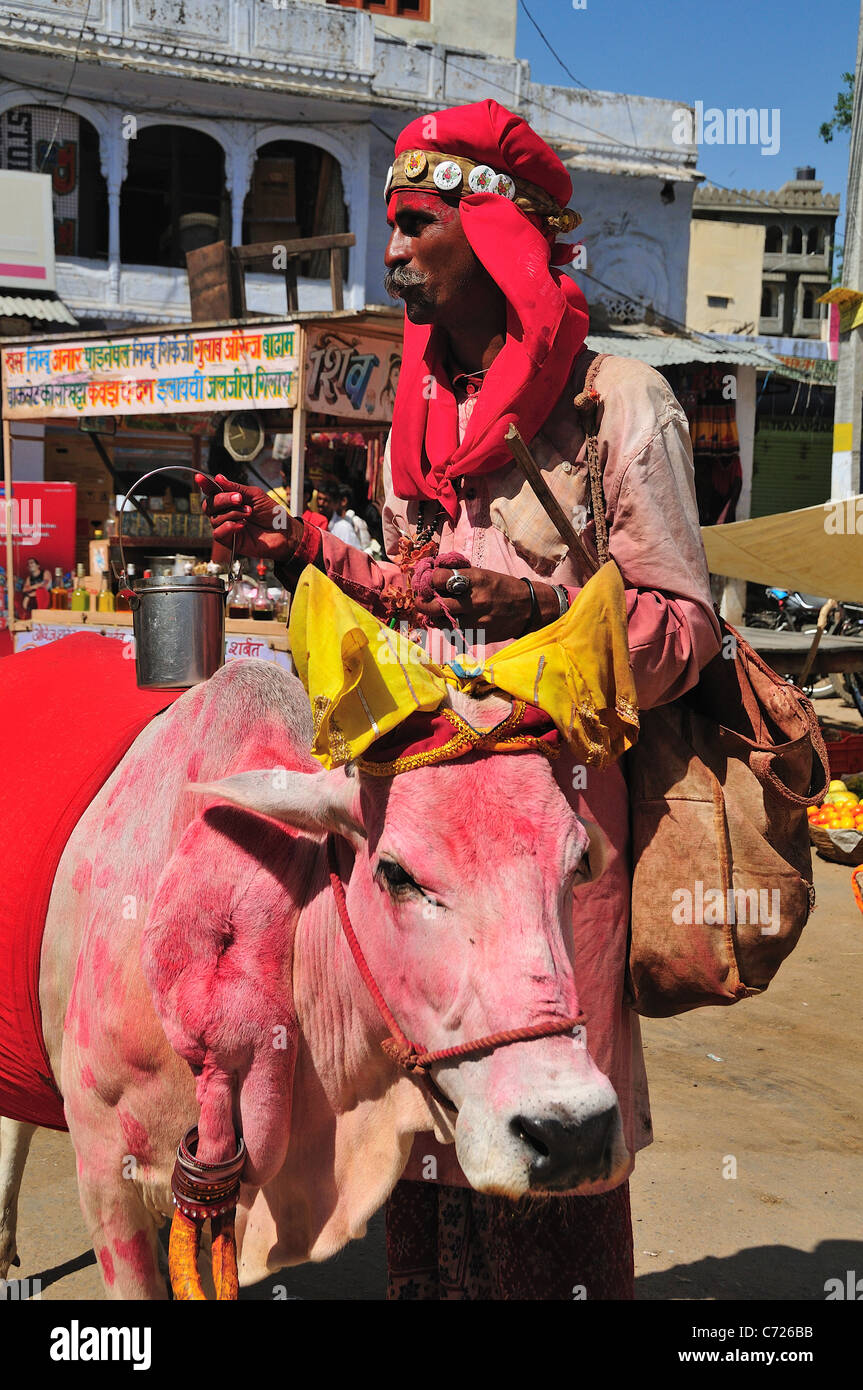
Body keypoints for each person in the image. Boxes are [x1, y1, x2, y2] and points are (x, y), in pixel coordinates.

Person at [198, 97, 721, 1300]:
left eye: (413, 225)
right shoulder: (418, 418)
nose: (388, 255)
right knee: (429, 1138)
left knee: (548, 1128)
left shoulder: (617, 406)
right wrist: (301, 548)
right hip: (425, 825)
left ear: (492, 238)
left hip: (556, 838)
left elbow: (684, 631)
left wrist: (540, 612)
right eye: (388, 227)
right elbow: (408, 600)